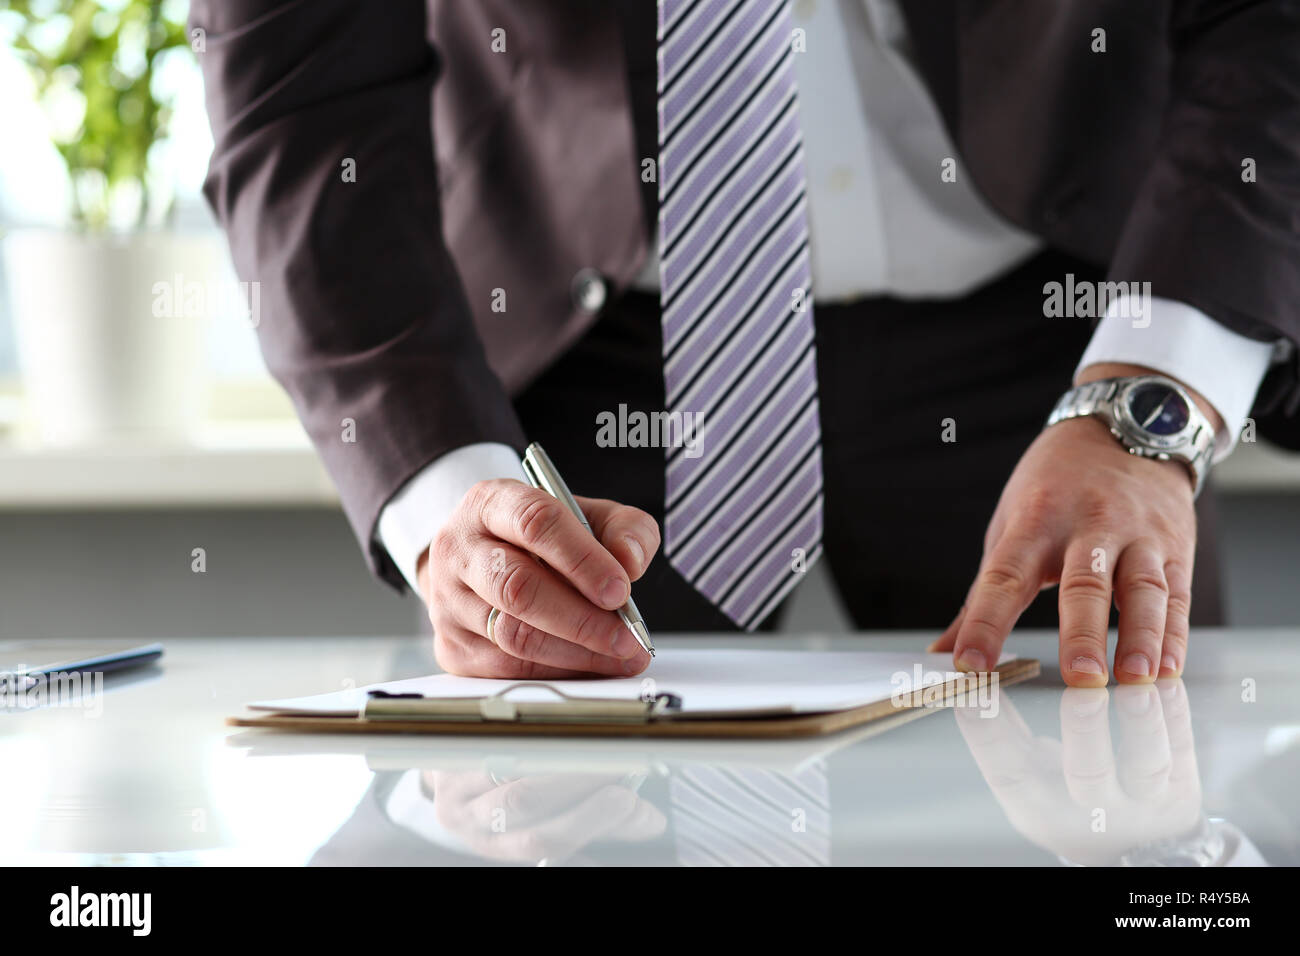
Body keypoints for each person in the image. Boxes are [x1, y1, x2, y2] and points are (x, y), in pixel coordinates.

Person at [191, 0, 1300, 685]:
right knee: (547, 813)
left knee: (1131, 809)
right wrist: (448, 500)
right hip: (579, 375)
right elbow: (302, 102)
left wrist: (1151, 399)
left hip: (1054, 345)